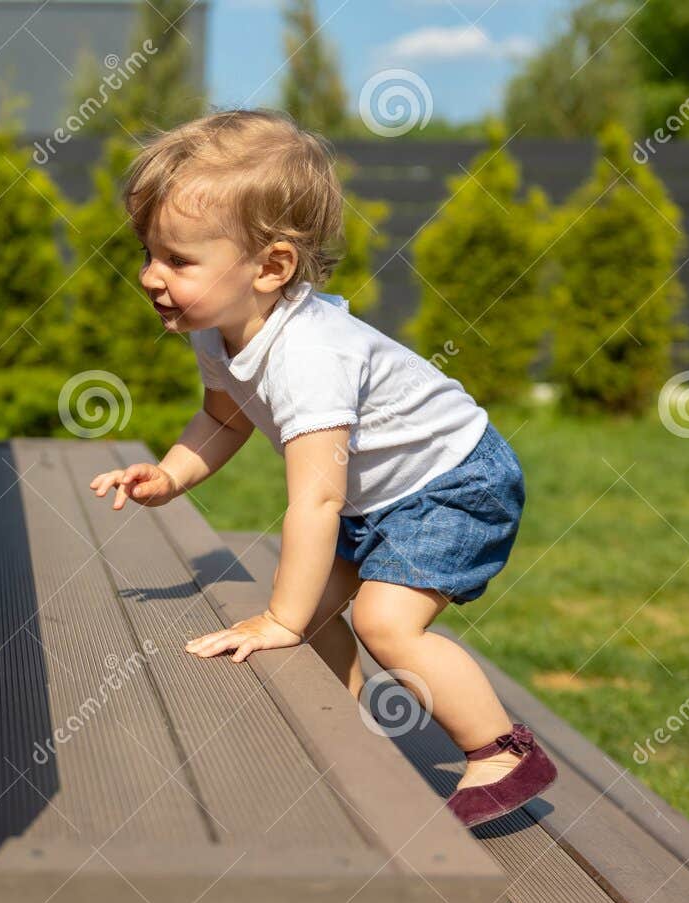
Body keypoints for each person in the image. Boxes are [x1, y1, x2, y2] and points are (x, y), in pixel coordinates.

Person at [87, 109, 554, 829]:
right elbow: (223, 418)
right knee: (313, 611)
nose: (151, 277)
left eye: (178, 261)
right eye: (148, 253)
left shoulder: (310, 356)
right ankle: (344, 732)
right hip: (384, 495)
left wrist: (279, 616)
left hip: (453, 483)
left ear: (270, 268)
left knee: (381, 620)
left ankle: (503, 751)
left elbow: (317, 496)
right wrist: (173, 475)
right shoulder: (218, 329)